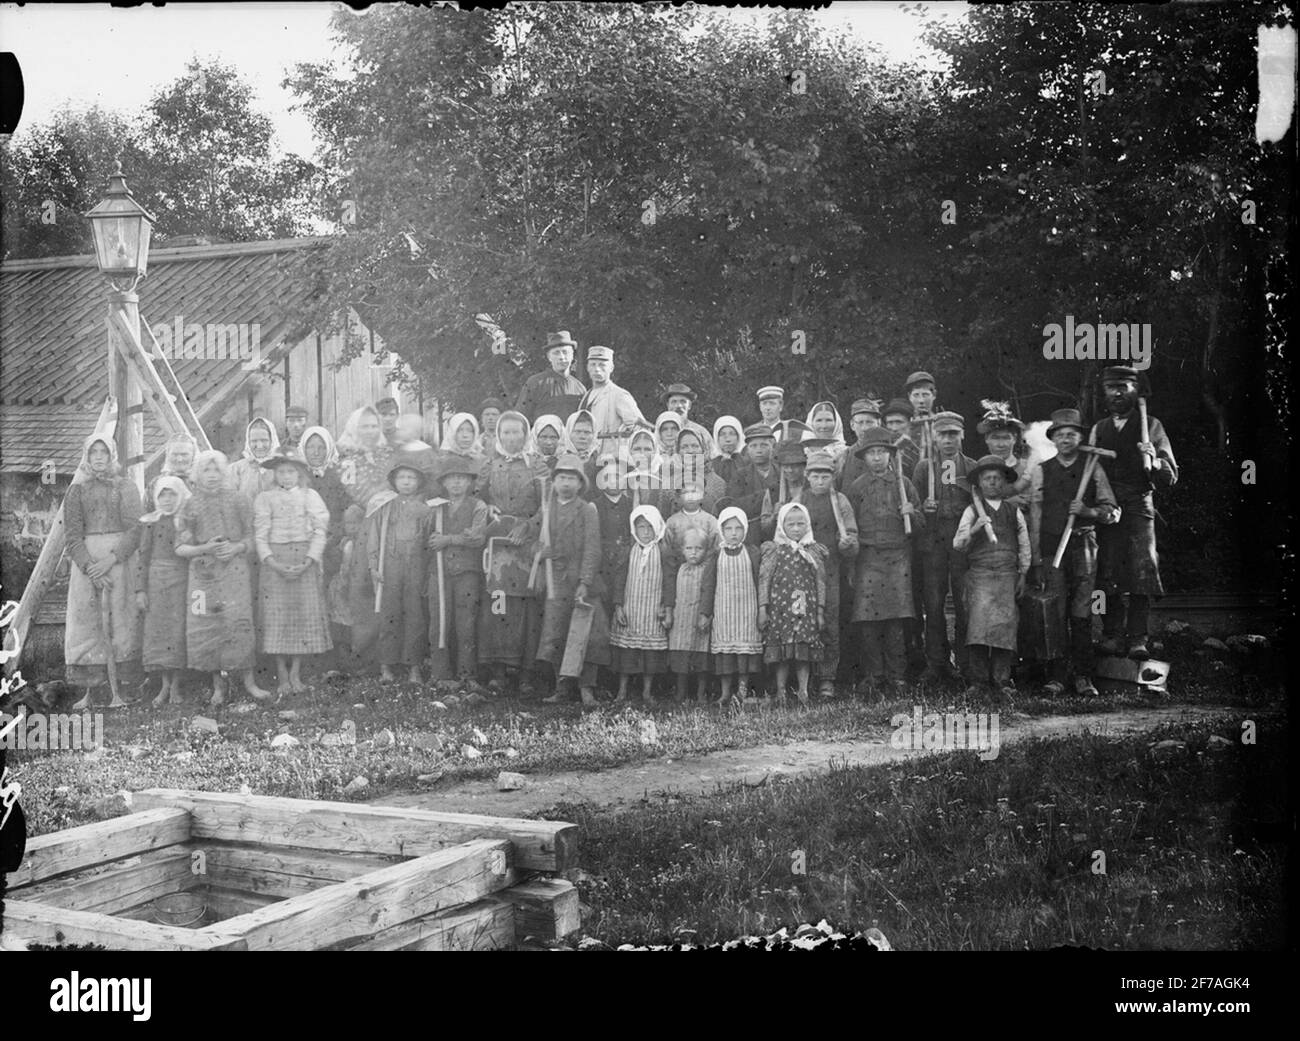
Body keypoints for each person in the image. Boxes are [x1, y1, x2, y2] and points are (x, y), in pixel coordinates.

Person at [1028, 408, 1118, 696]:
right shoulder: (1042, 470)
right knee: (1055, 611)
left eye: (1071, 434)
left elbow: (1112, 511)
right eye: (1060, 434)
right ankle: (1056, 677)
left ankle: (1083, 677)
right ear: (1053, 439)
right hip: (1052, 548)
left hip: (1084, 546)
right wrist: (1036, 558)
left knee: (1082, 611)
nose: (1066, 439)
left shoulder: (1093, 467)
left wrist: (1088, 511)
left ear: (1080, 438)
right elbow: (1035, 516)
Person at [1091, 366, 1178, 660]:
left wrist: (1154, 460)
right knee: (1107, 569)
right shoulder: (1099, 429)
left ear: (1135, 391)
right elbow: (1090, 471)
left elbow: (1169, 477)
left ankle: (1138, 638)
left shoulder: (1151, 425)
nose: (1117, 393)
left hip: (1139, 505)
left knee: (1143, 569)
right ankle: (1112, 635)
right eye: (1111, 388)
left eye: (1123, 387)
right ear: (1104, 393)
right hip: (1108, 506)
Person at [175, 450, 271, 706]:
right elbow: (179, 546)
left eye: (216, 470)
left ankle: (249, 681)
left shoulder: (239, 500)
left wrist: (236, 547)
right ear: (198, 474)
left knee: (239, 622)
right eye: (206, 470)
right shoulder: (190, 504)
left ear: (224, 472)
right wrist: (204, 548)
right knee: (207, 625)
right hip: (202, 573)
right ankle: (218, 685)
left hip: (234, 569)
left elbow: (252, 538)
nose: (212, 475)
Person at [522, 454, 611, 707]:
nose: (566, 483)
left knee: (587, 634)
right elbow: (530, 540)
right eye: (562, 478)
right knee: (555, 634)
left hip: (581, 580)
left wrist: (585, 581)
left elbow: (593, 549)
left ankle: (586, 689)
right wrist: (540, 553)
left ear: (581, 483)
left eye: (572, 478)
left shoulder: (587, 510)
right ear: (554, 481)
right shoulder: (546, 509)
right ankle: (562, 688)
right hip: (555, 582)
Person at [64, 434, 143, 710]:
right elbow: (72, 536)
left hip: (118, 562)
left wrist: (111, 560)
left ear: (112, 456)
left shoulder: (125, 487)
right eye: (94, 452)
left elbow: (135, 529)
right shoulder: (76, 491)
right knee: (87, 623)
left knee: (121, 621)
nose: (99, 457)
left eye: (104, 452)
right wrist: (90, 568)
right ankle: (91, 690)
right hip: (87, 566)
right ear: (86, 456)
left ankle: (121, 689)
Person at [478, 410, 548, 695]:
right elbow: (477, 498)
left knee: (526, 610)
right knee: (499, 605)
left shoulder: (537, 464)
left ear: (525, 434)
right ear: (498, 435)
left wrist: (529, 526)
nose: (510, 437)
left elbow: (547, 505)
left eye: (515, 432)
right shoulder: (490, 465)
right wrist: (488, 509)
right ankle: (498, 671)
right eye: (505, 432)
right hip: (498, 545)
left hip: (526, 545)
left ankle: (526, 674)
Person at [848, 428, 922, 698]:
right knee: (868, 621)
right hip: (868, 558)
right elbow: (850, 526)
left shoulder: (904, 484)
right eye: (872, 453)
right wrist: (851, 564)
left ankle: (897, 676)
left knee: (896, 621)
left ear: (891, 455)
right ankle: (874, 676)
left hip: (898, 557)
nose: (877, 457)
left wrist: (912, 513)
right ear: (864, 457)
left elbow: (921, 523)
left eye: (882, 452)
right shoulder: (857, 487)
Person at [953, 455, 1032, 697]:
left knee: (1004, 629)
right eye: (987, 478)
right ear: (979, 483)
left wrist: (1023, 573)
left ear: (1004, 482)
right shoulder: (971, 511)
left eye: (997, 478)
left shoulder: (1013, 511)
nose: (993, 482)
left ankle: (1002, 680)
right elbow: (958, 544)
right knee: (977, 629)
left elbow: (1024, 545)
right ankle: (978, 682)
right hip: (980, 575)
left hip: (1007, 575)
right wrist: (976, 528)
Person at [254, 454, 333, 696]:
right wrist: (272, 562)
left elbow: (320, 531)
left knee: (301, 617)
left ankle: (296, 673)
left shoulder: (311, 496)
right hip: (275, 561)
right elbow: (260, 535)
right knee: (277, 618)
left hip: (304, 558)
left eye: (291, 472)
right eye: (281, 472)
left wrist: (309, 561)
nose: (286, 477)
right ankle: (282, 673)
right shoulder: (265, 498)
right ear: (274, 475)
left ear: (299, 474)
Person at [913, 411, 977, 684]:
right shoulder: (923, 468)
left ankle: (966, 662)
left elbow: (980, 505)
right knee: (934, 603)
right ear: (935, 438)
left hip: (962, 544)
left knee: (964, 602)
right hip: (934, 543)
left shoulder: (972, 467)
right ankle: (937, 663)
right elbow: (912, 506)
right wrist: (923, 507)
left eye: (953, 434)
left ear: (962, 435)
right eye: (943, 435)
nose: (948, 440)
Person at [365, 461, 433, 684]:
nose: (406, 482)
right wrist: (374, 566)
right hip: (390, 566)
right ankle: (386, 665)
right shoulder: (385, 506)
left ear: (419, 482)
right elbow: (374, 537)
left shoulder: (426, 509)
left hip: (415, 566)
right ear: (394, 481)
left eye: (411, 478)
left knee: (415, 616)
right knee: (389, 615)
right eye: (402, 477)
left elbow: (429, 541)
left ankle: (413, 667)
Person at [425, 456, 489, 690]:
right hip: (439, 571)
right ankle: (440, 673)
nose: (456, 483)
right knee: (439, 623)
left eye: (461, 479)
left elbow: (477, 538)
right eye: (451, 479)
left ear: (469, 482)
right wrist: (435, 538)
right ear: (444, 483)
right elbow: (427, 538)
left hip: (467, 572)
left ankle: (467, 675)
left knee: (466, 623)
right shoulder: (436, 507)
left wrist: (448, 539)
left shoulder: (478, 506)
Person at [759, 502, 828, 705]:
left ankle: (803, 690)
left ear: (808, 524)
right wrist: (763, 608)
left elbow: (821, 581)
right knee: (783, 650)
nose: (796, 529)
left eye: (801, 524)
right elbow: (764, 579)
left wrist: (820, 611)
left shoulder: (813, 551)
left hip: (804, 609)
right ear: (782, 525)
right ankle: (781, 690)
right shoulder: (775, 550)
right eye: (791, 524)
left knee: (802, 650)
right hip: (781, 609)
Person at [802, 450, 858, 697]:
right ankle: (805, 676)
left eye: (825, 476)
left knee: (829, 621)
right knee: (804, 620)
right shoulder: (800, 500)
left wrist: (846, 542)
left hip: (831, 569)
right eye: (815, 476)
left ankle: (827, 677)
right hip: (803, 568)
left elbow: (851, 535)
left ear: (833, 477)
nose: (820, 481)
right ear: (807, 476)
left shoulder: (840, 501)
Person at [135, 475, 190, 707]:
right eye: (162, 495)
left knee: (176, 632)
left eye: (172, 494)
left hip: (181, 580)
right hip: (156, 581)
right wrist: (140, 589)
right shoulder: (150, 522)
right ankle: (164, 685)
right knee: (159, 633)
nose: (167, 500)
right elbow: (143, 556)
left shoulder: (185, 520)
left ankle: (176, 685)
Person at [610, 504, 674, 705]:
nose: (646, 532)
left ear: (657, 527)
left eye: (650, 527)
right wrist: (618, 606)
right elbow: (619, 579)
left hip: (653, 610)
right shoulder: (628, 550)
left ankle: (647, 691)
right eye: (641, 527)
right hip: (631, 608)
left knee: (650, 654)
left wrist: (667, 607)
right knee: (627, 652)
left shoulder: (663, 551)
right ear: (634, 529)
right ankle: (622, 690)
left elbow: (669, 582)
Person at [706, 507, 763, 706]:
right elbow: (708, 584)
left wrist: (762, 609)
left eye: (738, 528)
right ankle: (724, 692)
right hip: (724, 611)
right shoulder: (716, 554)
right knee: (726, 654)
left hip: (747, 610)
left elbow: (760, 581)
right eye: (728, 528)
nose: (733, 533)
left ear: (745, 529)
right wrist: (705, 612)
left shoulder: (753, 552)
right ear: (721, 530)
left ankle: (742, 690)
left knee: (744, 653)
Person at [668, 528, 714, 704]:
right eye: (689, 548)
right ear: (682, 550)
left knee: (700, 657)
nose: (693, 552)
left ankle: (701, 693)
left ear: (706, 550)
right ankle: (681, 692)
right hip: (681, 619)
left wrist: (705, 614)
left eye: (698, 548)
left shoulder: (706, 569)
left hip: (698, 618)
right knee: (682, 658)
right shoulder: (681, 569)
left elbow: (708, 591)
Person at [578, 345, 649, 457]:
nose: (597, 369)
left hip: (610, 459)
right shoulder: (586, 395)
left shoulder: (619, 395)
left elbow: (641, 429)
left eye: (602, 365)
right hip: (587, 457)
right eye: (593, 364)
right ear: (587, 367)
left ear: (611, 368)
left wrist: (621, 452)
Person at [515, 331, 587, 423]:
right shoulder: (535, 383)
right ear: (549, 357)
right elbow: (520, 417)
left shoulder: (580, 389)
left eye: (565, 352)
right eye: (556, 353)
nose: (561, 357)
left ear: (572, 355)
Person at [337, 404, 395, 508]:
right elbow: (354, 494)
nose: (370, 431)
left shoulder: (387, 453)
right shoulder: (346, 458)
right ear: (354, 428)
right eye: (364, 427)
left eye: (374, 426)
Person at [977, 400, 1031, 507]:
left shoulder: (1028, 468)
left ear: (1014, 439)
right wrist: (1007, 504)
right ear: (986, 439)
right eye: (995, 438)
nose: (1001, 444)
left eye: (1006, 438)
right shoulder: (977, 469)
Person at [759, 439, 810, 540]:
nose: (790, 470)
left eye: (794, 466)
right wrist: (774, 516)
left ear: (803, 466)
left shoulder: (812, 488)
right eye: (786, 466)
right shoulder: (774, 491)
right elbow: (764, 527)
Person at [227, 417, 280, 502]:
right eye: (254, 441)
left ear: (272, 441)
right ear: (248, 442)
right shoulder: (236, 469)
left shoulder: (282, 468)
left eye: (264, 440)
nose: (259, 446)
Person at [838, 398, 883, 492]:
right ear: (852, 425)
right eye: (860, 422)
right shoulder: (845, 456)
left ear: (878, 423)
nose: (864, 428)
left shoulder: (889, 455)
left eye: (869, 422)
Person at [665, 484, 720, 557]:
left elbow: (715, 549)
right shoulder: (672, 522)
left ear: (702, 495)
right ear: (679, 496)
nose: (690, 497)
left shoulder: (711, 521)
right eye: (685, 492)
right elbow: (667, 551)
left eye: (694, 492)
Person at [661, 383, 714, 456]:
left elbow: (713, 458)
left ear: (689, 405)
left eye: (683, 401)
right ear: (668, 405)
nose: (678, 406)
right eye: (674, 402)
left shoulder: (701, 432)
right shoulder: (660, 434)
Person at [804, 401, 848, 474]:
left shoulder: (847, 454)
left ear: (837, 423)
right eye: (819, 420)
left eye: (828, 420)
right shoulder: (802, 452)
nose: (824, 426)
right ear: (811, 423)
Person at [563, 408, 600, 488]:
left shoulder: (600, 462)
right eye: (577, 432)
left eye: (587, 432)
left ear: (594, 435)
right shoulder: (559, 460)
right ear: (569, 433)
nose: (582, 437)